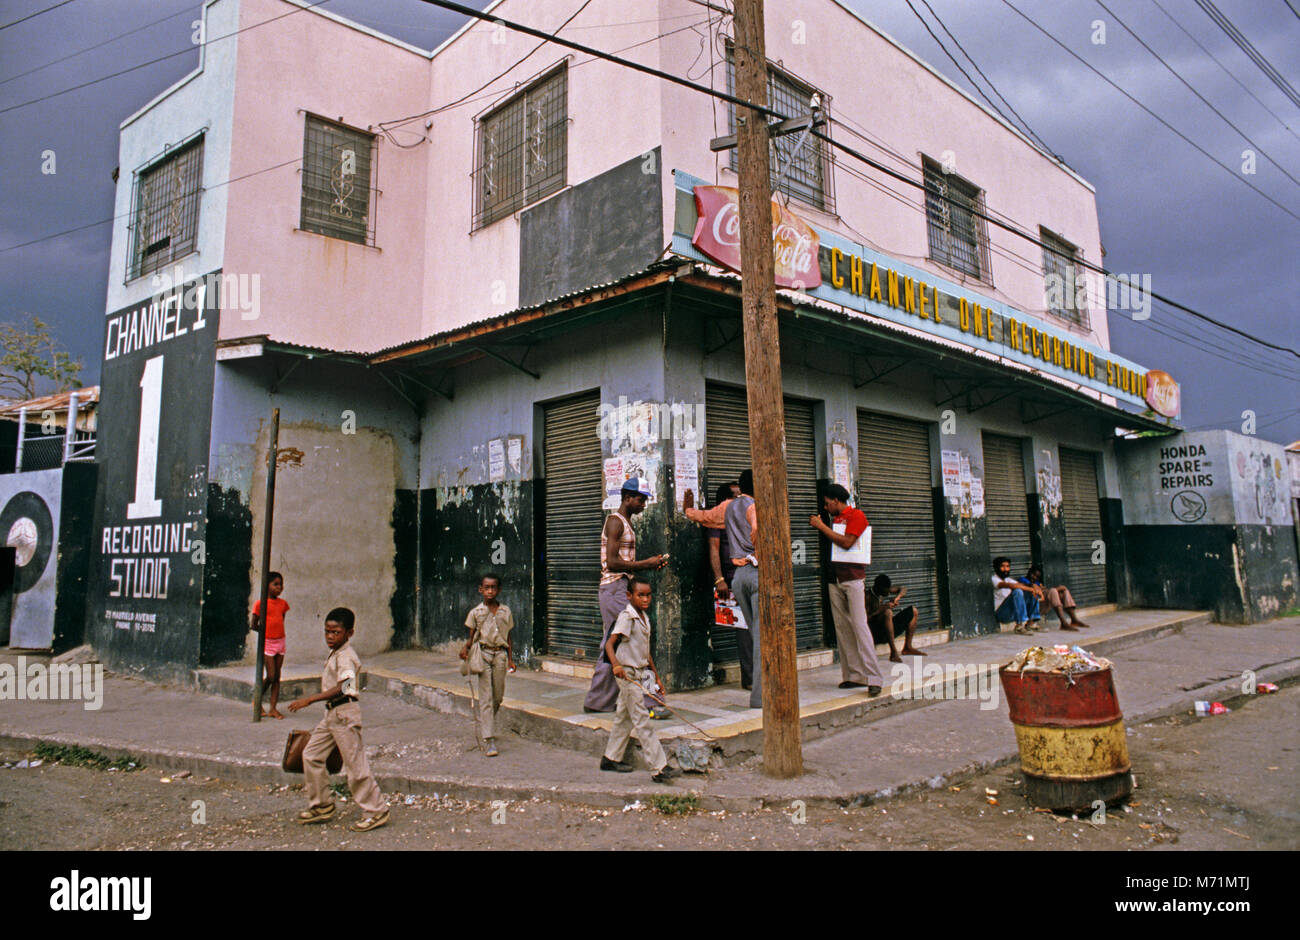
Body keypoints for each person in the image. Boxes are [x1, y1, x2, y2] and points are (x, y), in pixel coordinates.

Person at [287, 607, 390, 832]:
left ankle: (376, 810)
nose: (330, 637)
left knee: (355, 766)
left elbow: (346, 687)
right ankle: (321, 805)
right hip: (332, 715)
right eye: (327, 632)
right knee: (311, 754)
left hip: (344, 714)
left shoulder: (346, 656)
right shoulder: (336, 653)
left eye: (336, 632)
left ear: (349, 633)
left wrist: (311, 699)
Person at [583, 477, 669, 715]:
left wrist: (647, 566)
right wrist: (646, 564)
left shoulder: (625, 523)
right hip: (614, 588)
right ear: (627, 498)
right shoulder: (615, 522)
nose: (643, 504)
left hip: (620, 587)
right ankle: (648, 701)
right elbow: (611, 562)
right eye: (640, 499)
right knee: (632, 641)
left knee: (616, 643)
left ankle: (599, 701)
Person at [598, 577, 681, 784]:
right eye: (640, 595)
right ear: (629, 596)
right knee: (642, 719)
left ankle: (610, 758)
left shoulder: (644, 617)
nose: (645, 599)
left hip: (638, 672)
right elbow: (610, 644)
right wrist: (616, 665)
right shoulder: (627, 616)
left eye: (648, 595)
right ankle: (658, 768)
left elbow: (646, 652)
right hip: (626, 674)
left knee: (624, 717)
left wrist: (656, 677)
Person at [809, 483, 883, 694]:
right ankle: (853, 675)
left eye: (827, 503)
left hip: (852, 579)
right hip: (835, 578)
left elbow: (848, 542)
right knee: (843, 628)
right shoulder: (835, 519)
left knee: (860, 627)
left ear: (835, 500)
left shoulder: (856, 516)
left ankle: (874, 677)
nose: (825, 507)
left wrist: (822, 527)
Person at [684, 480, 751, 689]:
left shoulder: (746, 514)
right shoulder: (720, 518)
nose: (737, 499)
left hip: (747, 572)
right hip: (731, 577)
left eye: (739, 495)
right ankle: (750, 678)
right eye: (733, 496)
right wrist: (719, 579)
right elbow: (714, 549)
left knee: (752, 627)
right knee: (744, 629)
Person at [460, 573, 515, 756]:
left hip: (500, 655)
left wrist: (510, 659)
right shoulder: (476, 612)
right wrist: (465, 649)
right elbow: (471, 637)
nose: (490, 591)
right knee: (486, 697)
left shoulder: (505, 611)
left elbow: (508, 636)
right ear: (480, 589)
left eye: (494, 587)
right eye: (487, 587)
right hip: (483, 655)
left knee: (497, 696)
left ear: (498, 590)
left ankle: (487, 723)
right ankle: (489, 739)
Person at [250, 571, 288, 719]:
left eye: (281, 584)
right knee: (271, 675)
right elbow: (254, 624)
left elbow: (281, 620)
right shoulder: (260, 604)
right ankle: (257, 699)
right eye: (275, 584)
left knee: (277, 677)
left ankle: (273, 708)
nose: (279, 587)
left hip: (280, 641)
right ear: (267, 586)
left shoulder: (283, 604)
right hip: (268, 643)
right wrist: (265, 633)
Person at [866, 573, 925, 663]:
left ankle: (907, 647)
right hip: (875, 634)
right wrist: (883, 607)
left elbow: (903, 589)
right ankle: (893, 652)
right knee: (888, 612)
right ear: (878, 588)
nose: (888, 592)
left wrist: (898, 597)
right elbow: (866, 618)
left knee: (913, 611)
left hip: (887, 630)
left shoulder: (883, 591)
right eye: (886, 591)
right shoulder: (867, 596)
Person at [1019, 564, 1091, 632]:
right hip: (1030, 608)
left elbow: (1043, 591)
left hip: (1041, 604)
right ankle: (1063, 623)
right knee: (1053, 591)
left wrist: (1057, 589)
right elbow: (1033, 590)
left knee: (1063, 592)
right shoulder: (1023, 580)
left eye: (1036, 576)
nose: (1033, 577)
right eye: (1032, 574)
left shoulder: (1038, 583)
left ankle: (1074, 620)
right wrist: (1056, 589)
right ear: (1029, 572)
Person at [992, 556, 1039, 635]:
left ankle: (1031, 623)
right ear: (996, 568)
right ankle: (1019, 626)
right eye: (1002, 566)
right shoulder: (994, 579)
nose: (1006, 569)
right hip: (1002, 614)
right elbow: (1013, 586)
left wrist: (1033, 586)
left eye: (1007, 566)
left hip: (1012, 613)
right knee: (1017, 591)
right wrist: (1031, 589)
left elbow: (1021, 584)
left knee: (1031, 592)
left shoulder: (1008, 579)